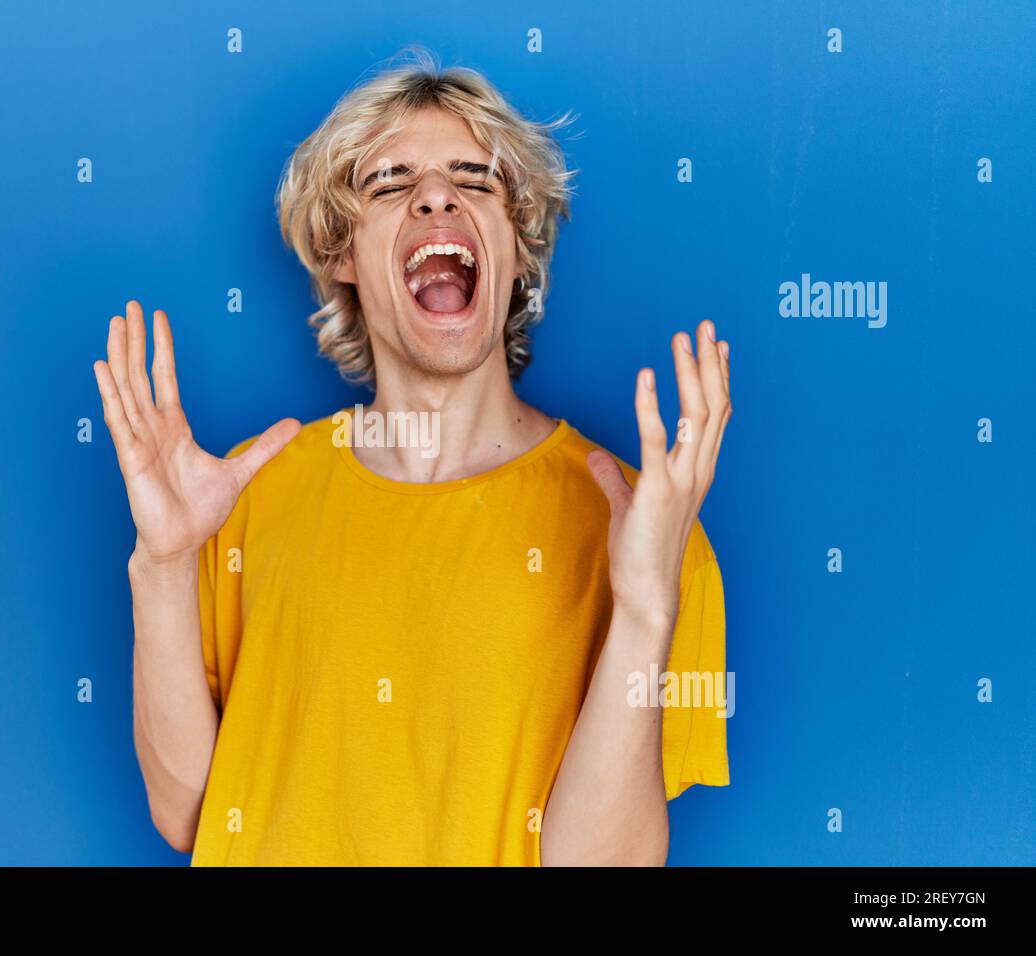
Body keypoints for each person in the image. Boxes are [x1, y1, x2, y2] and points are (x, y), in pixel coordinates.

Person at [92, 51, 732, 866]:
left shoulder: (651, 531)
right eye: (391, 184)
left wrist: (644, 611)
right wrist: (164, 563)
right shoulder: (243, 492)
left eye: (477, 179)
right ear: (341, 255)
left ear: (518, 246)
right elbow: (189, 814)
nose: (438, 195)